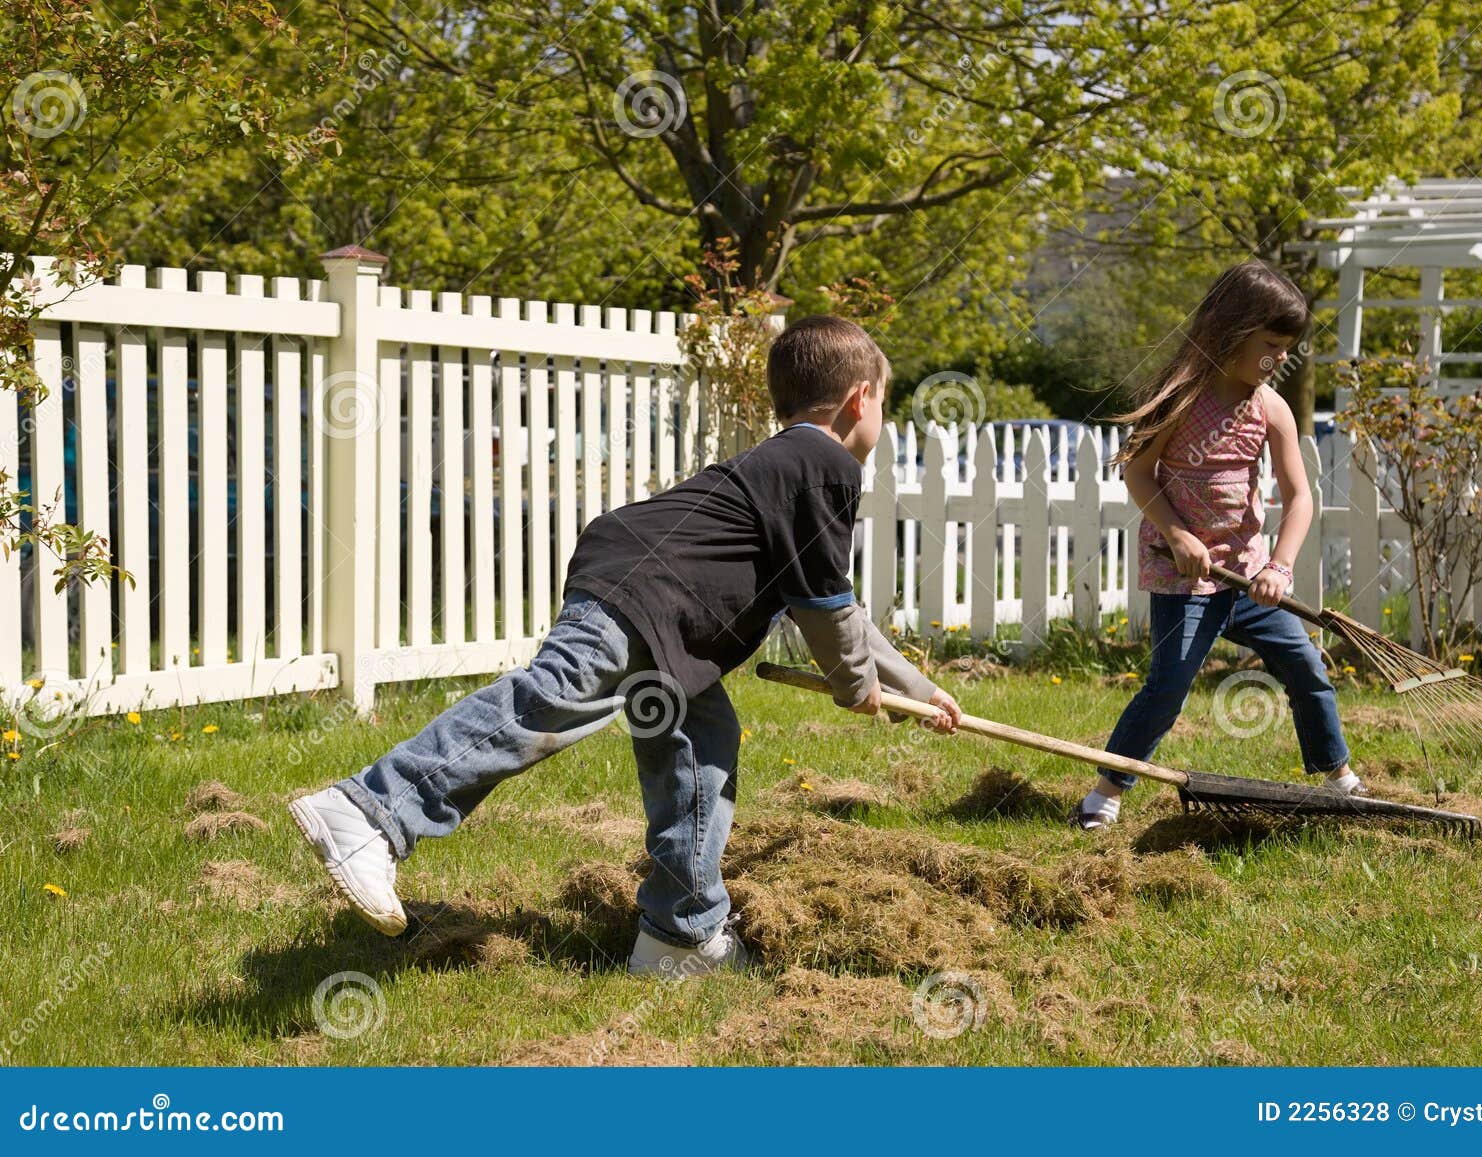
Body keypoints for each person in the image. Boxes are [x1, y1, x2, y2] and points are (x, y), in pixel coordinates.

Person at [288, 315, 963, 972]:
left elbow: (839, 616)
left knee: (701, 747)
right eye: (887, 405)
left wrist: (918, 690)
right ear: (861, 397)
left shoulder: (789, 463)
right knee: (551, 700)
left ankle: (680, 933)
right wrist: (854, 686)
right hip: (645, 590)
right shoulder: (824, 461)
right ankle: (372, 810)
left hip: (665, 620)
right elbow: (827, 609)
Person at [1073, 262, 1366, 830]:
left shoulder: (1269, 407)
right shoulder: (1180, 397)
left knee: (1307, 667)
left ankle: (1341, 778)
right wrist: (1177, 532)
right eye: (1272, 345)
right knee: (1170, 685)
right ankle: (1105, 793)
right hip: (1184, 581)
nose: (1281, 358)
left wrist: (1279, 567)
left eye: (1288, 348)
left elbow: (1301, 497)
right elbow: (1138, 471)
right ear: (1232, 330)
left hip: (1249, 578)